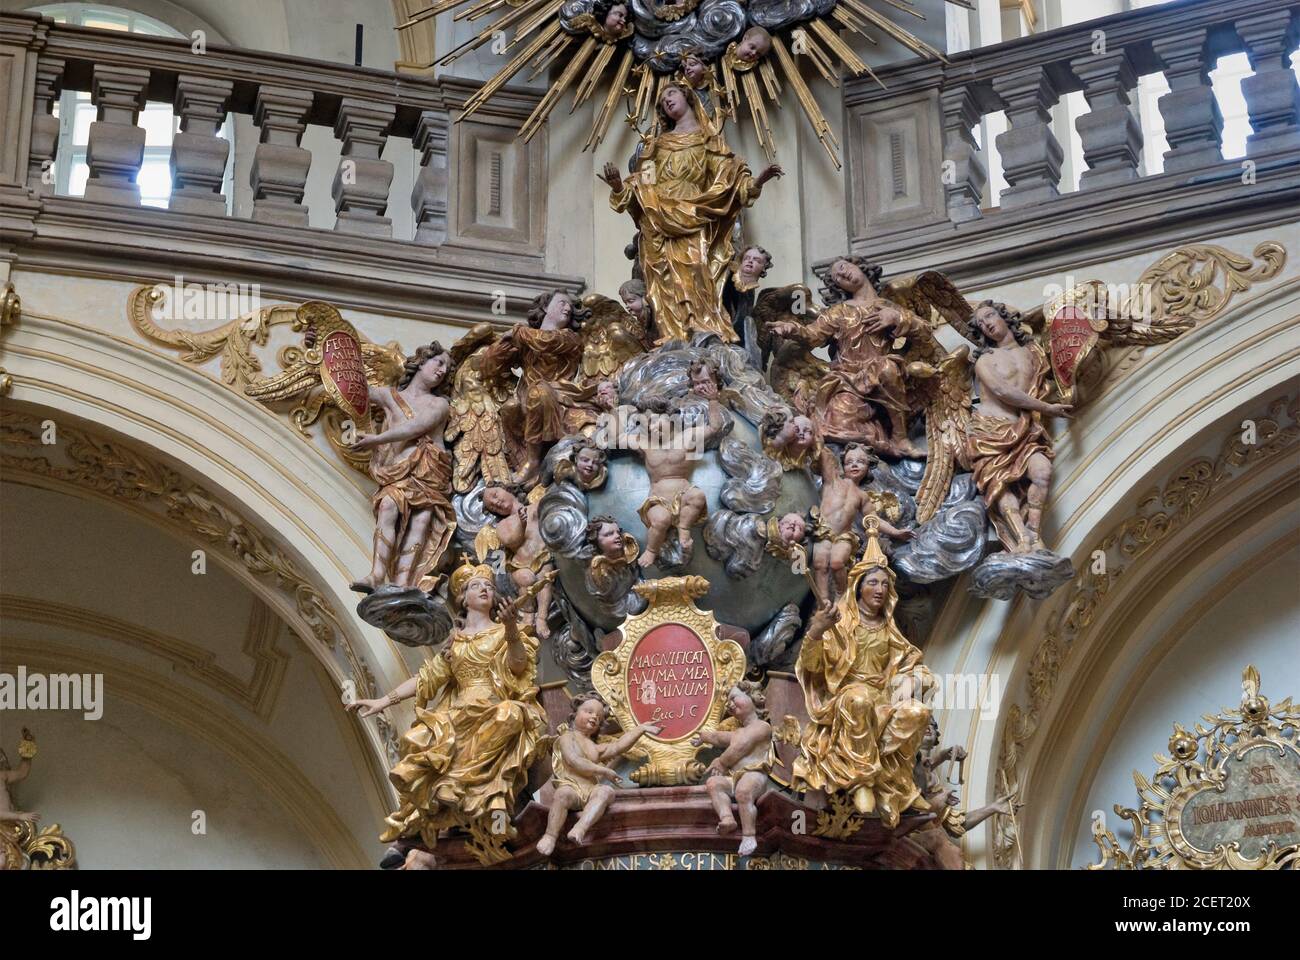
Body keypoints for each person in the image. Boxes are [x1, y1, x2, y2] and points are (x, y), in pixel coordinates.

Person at [346, 559, 549, 856]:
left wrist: (510, 629)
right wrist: (383, 701)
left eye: (489, 586)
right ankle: (432, 812)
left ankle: (473, 798)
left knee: (512, 715)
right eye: (476, 586)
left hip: (493, 708)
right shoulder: (455, 644)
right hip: (457, 712)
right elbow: (427, 677)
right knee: (419, 738)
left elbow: (519, 666)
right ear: (462, 598)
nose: (485, 589)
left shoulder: (505, 631)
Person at [602, 84, 782, 346]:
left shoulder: (709, 142)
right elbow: (645, 184)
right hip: (657, 219)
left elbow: (727, 182)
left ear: (687, 96)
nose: (667, 101)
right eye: (662, 100)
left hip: (695, 214)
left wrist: (758, 182)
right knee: (662, 279)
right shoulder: (658, 145)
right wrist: (620, 186)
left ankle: (701, 330)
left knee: (697, 272)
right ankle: (671, 335)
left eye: (671, 94)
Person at [793, 518, 933, 828]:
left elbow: (913, 663)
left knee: (917, 712)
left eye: (885, 584)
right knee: (858, 701)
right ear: (858, 587)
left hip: (883, 700)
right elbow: (813, 667)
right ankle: (863, 779)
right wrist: (816, 632)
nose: (880, 589)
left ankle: (897, 784)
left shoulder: (891, 631)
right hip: (848, 698)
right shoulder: (840, 626)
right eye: (873, 582)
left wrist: (917, 679)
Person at [768, 257, 926, 458]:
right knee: (840, 424)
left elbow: (925, 331)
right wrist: (791, 328)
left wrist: (897, 318)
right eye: (838, 277)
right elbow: (812, 335)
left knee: (888, 367)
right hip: (847, 380)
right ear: (839, 286)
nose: (843, 274)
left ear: (859, 266)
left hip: (882, 375)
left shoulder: (889, 306)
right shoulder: (839, 312)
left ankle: (900, 437)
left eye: (843, 267)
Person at [964, 300, 1072, 553]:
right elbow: (1005, 392)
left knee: (1042, 472)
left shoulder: (1033, 352)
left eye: (989, 316)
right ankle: (1021, 537)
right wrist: (1047, 409)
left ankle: (1034, 533)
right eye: (981, 324)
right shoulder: (985, 361)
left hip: (1026, 430)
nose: (987, 324)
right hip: (990, 431)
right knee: (1000, 484)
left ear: (1004, 317)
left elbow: (1062, 369)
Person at [350, 342, 456, 593]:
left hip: (429, 471)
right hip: (397, 470)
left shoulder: (439, 404)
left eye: (447, 369)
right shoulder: (389, 396)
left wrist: (375, 440)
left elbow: (415, 428)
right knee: (387, 506)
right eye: (438, 362)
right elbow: (350, 391)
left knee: (421, 522)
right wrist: (323, 353)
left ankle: (403, 582)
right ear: (421, 361)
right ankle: (377, 575)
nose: (441, 371)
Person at [537, 693, 659, 856]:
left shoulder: (594, 747)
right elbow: (575, 761)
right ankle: (550, 835)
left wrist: (640, 729)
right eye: (589, 711)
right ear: (575, 715)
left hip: (590, 789)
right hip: (571, 786)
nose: (594, 717)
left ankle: (580, 828)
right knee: (562, 794)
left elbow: (617, 747)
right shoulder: (567, 737)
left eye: (599, 717)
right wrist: (603, 770)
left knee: (606, 791)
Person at [694, 682, 774, 856]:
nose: (729, 704)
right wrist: (704, 736)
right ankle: (727, 818)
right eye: (727, 703)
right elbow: (719, 737)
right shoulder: (738, 733)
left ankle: (749, 835)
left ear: (752, 697)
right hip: (736, 777)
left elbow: (742, 746)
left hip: (755, 774)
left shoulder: (762, 727)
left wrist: (722, 762)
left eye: (733, 698)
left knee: (744, 791)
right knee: (714, 783)